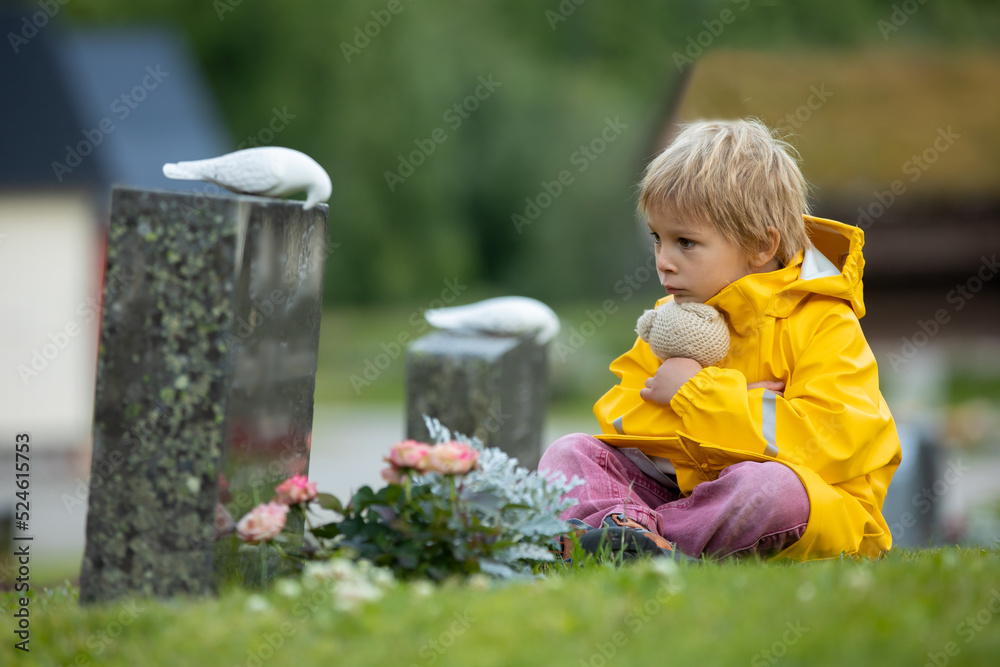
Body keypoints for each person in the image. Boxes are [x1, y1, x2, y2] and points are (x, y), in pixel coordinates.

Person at [540, 119, 901, 561]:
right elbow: (618, 420)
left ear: (761, 245)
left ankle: (633, 543)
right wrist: (746, 407)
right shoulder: (670, 319)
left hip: (810, 507)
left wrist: (696, 396)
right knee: (571, 452)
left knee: (771, 487)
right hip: (684, 496)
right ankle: (631, 536)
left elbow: (832, 442)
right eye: (658, 238)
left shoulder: (824, 322)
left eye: (686, 242)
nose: (663, 262)